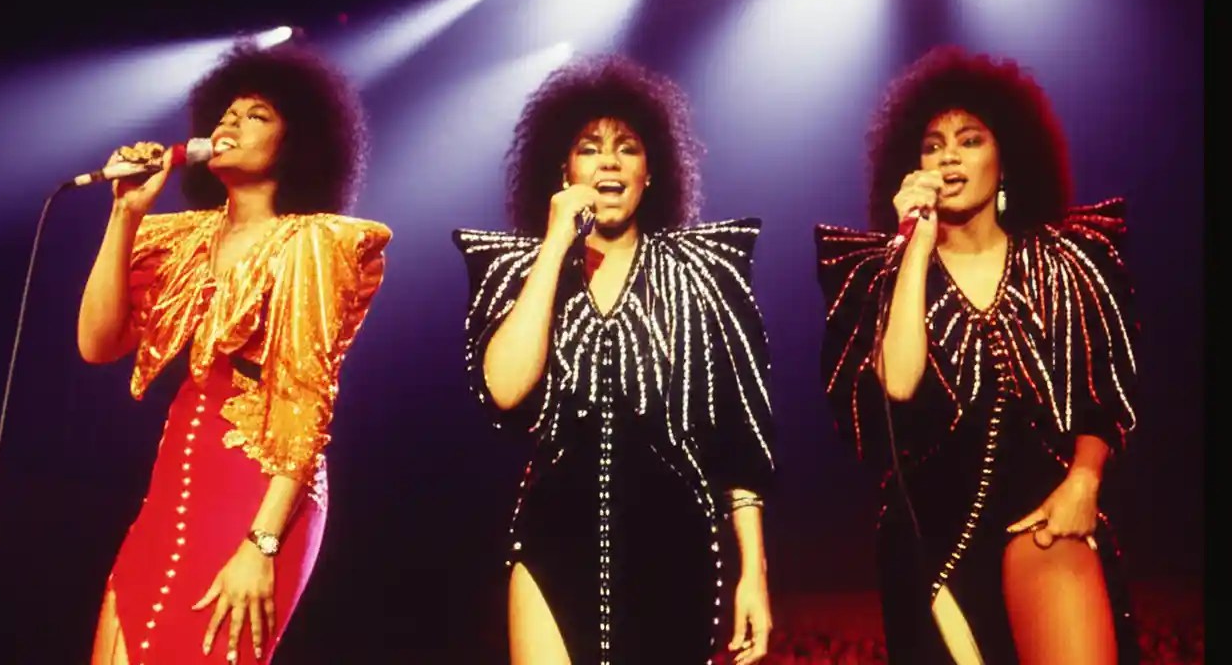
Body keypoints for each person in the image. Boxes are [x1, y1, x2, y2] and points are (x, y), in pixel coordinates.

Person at [814, 45, 1141, 664]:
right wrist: (914, 245)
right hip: (930, 551)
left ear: (1005, 156)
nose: (949, 157)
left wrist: (1084, 481)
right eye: (933, 145)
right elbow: (900, 384)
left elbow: (1104, 394)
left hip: (1047, 524)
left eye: (969, 140)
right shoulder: (880, 274)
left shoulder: (1067, 261)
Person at [453, 54, 777, 665]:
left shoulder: (704, 272)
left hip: (675, 547)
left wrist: (753, 574)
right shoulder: (517, 270)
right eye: (589, 148)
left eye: (626, 147)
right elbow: (503, 388)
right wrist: (554, 245)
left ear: (651, 171)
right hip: (551, 540)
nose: (608, 160)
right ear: (563, 167)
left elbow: (741, 438)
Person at [79, 42, 391, 664]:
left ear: (297, 140)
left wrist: (262, 544)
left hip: (259, 492)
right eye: (226, 111)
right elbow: (97, 343)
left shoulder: (314, 243)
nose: (230, 122)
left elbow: (308, 399)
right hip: (172, 488)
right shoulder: (182, 236)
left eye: (257, 114)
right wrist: (125, 216)